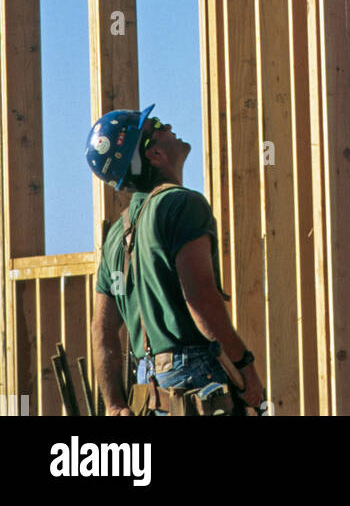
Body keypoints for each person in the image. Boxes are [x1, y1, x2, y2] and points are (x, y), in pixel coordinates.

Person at [87, 103, 266, 416]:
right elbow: (200, 300)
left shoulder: (118, 235)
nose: (167, 126)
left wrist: (115, 406)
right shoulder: (182, 205)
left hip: (152, 386)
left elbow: (102, 331)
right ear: (154, 154)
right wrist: (244, 365)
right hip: (197, 378)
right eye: (156, 125)